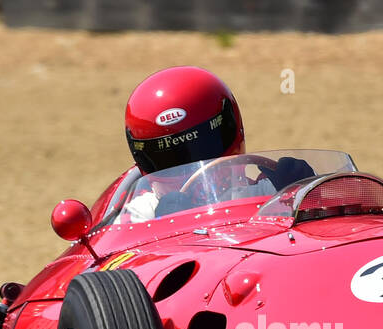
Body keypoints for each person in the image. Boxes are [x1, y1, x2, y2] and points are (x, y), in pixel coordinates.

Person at [121, 67, 314, 221]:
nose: (190, 166)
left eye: (202, 146)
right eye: (167, 157)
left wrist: (308, 193)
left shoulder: (269, 195)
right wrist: (167, 227)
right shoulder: (140, 215)